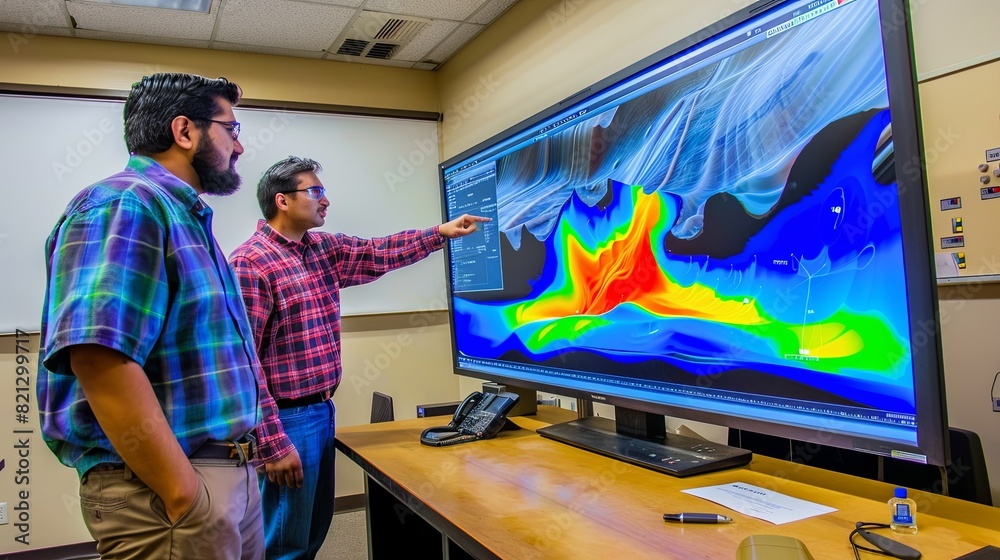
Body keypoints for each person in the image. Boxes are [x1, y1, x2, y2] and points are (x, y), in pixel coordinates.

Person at [37, 73, 277, 560]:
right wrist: (182, 493)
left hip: (227, 475)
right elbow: (99, 356)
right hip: (171, 492)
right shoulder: (126, 203)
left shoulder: (183, 215)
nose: (240, 147)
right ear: (185, 131)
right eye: (232, 129)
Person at [228, 155, 488, 559]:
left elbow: (377, 252)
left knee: (312, 531)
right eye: (315, 191)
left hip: (319, 411)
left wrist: (441, 233)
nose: (325, 199)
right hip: (284, 418)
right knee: (283, 541)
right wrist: (272, 443)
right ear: (282, 201)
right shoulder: (251, 263)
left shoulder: (320, 249)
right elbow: (243, 364)